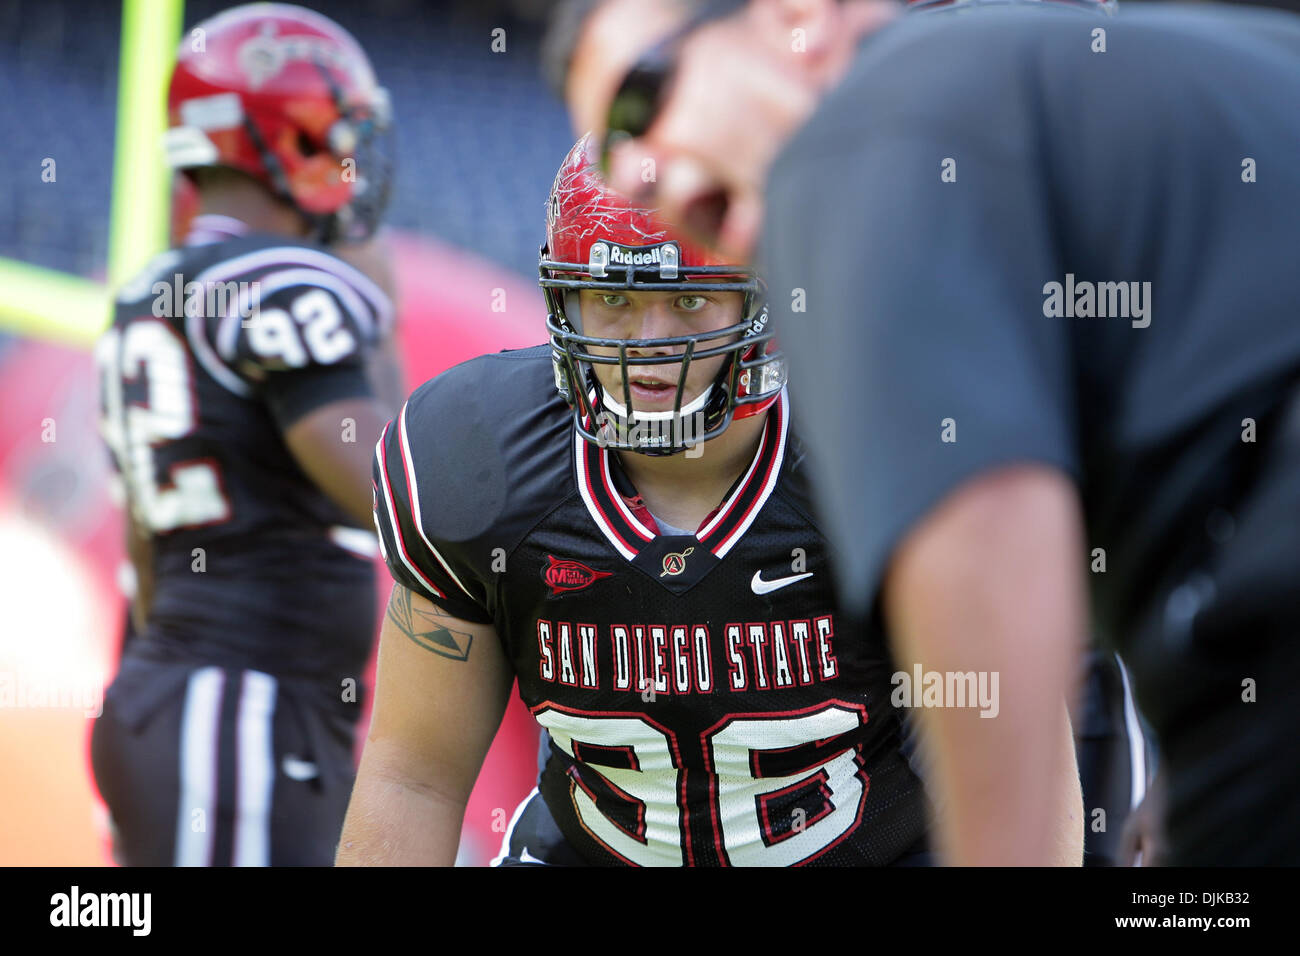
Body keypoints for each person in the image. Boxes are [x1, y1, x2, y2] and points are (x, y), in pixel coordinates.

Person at [553, 0, 1300, 864]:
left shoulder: (864, 131)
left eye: (640, 103)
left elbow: (987, 524)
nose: (639, 177)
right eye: (611, 150)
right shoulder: (1125, 74)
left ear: (796, 18)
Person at [339, 134, 1079, 866]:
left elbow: (1020, 753)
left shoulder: (890, 447)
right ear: (563, 297)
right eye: (611, 299)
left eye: (690, 299)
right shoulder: (478, 455)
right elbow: (415, 775)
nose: (647, 344)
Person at [91, 3, 400, 866]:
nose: (350, 156)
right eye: (338, 131)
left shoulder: (153, 288)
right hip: (239, 703)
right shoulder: (281, 279)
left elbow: (152, 554)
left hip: (196, 697)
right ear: (290, 138)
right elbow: (389, 489)